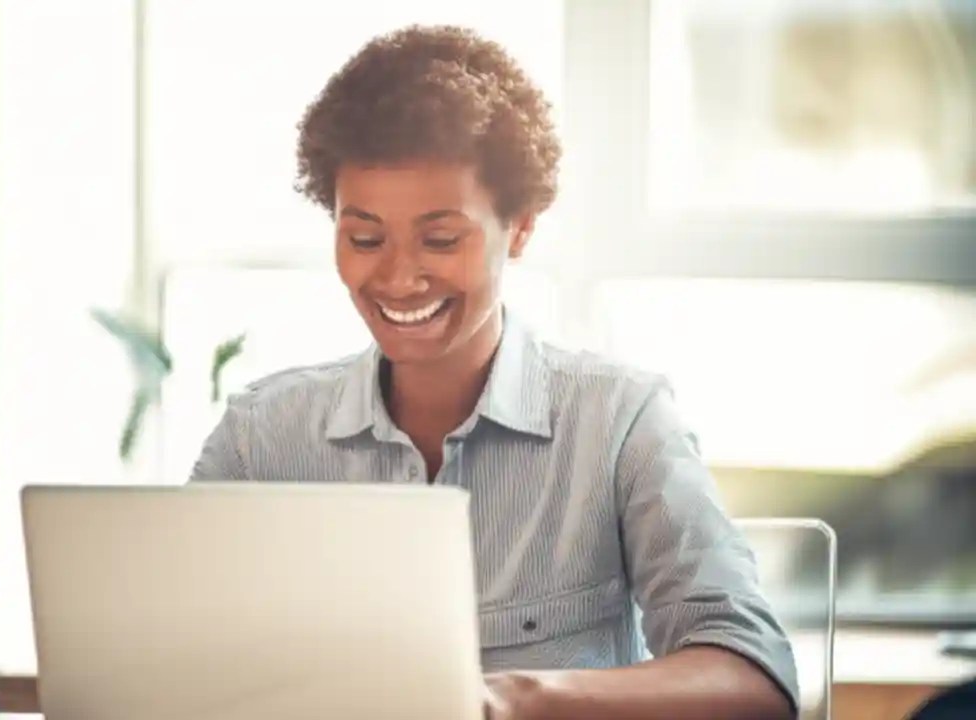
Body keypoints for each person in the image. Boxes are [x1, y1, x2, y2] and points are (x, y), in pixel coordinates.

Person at [192, 25, 798, 720]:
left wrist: (516, 700)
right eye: (363, 238)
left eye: (441, 239)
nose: (397, 277)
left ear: (521, 226)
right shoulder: (261, 437)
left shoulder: (619, 422)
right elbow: (163, 658)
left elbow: (755, 682)